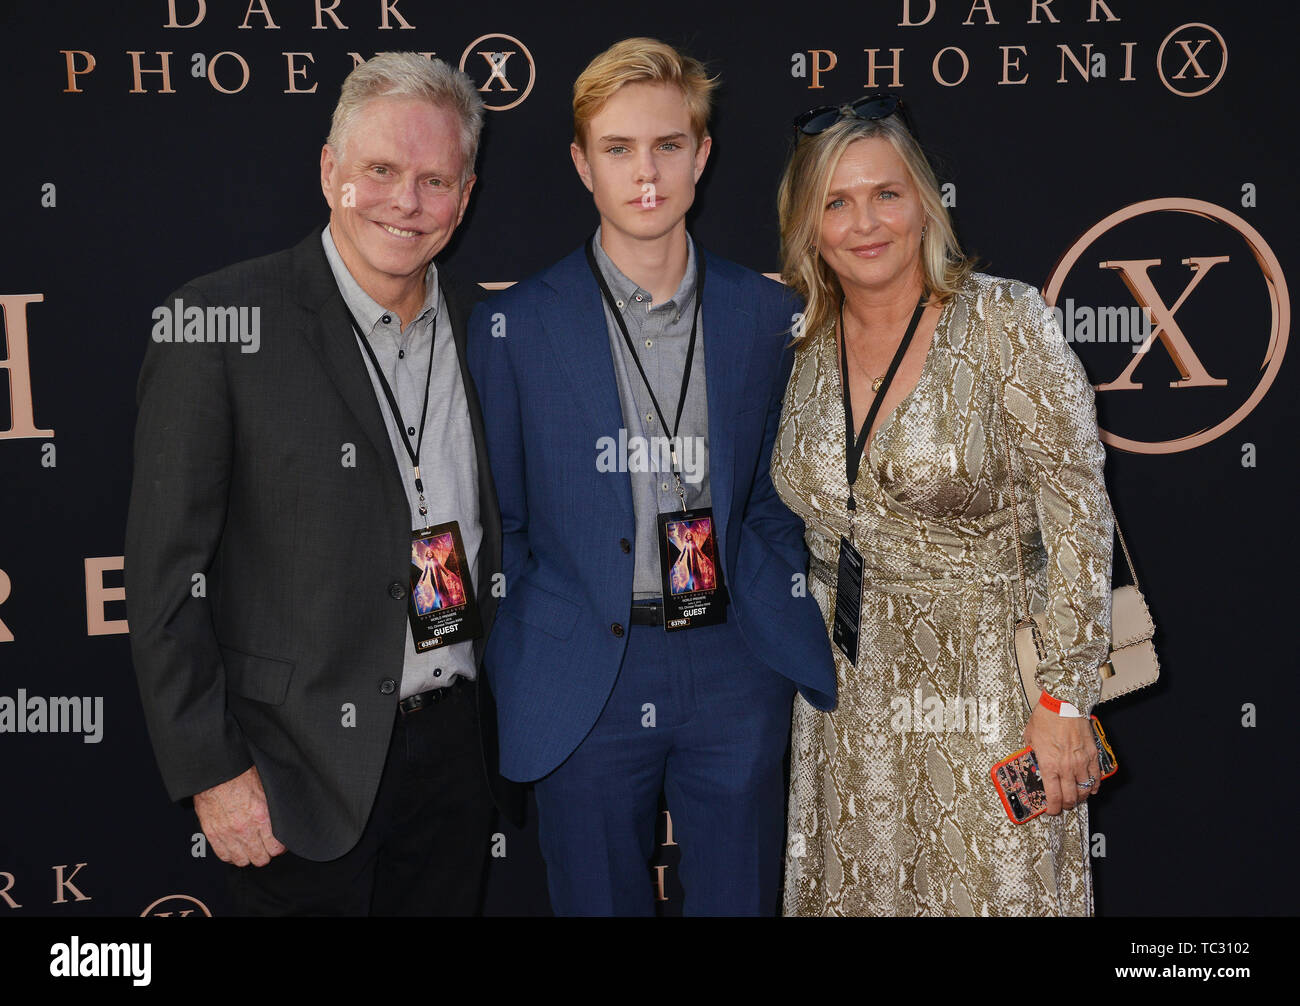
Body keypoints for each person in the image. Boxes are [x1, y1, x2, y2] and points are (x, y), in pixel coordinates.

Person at [125, 52, 522, 916]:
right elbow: (164, 581)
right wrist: (213, 771)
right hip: (291, 769)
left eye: (434, 179)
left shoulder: (488, 332)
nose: (405, 202)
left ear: (466, 194)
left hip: (456, 758)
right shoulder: (219, 327)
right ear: (329, 170)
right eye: (380, 170)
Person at [467, 37, 835, 916]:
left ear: (702, 156)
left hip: (735, 664)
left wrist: (766, 637)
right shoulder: (513, 327)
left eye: (668, 146)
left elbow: (782, 501)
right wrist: (531, 651)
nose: (646, 173)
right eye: (618, 148)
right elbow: (500, 526)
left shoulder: (771, 315)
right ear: (581, 164)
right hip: (583, 679)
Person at [772, 94, 1114, 916]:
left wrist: (1064, 702)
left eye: (886, 193)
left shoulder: (1005, 321)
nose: (866, 222)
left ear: (925, 200)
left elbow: (1079, 514)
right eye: (837, 201)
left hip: (994, 690)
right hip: (846, 697)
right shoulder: (803, 343)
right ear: (807, 224)